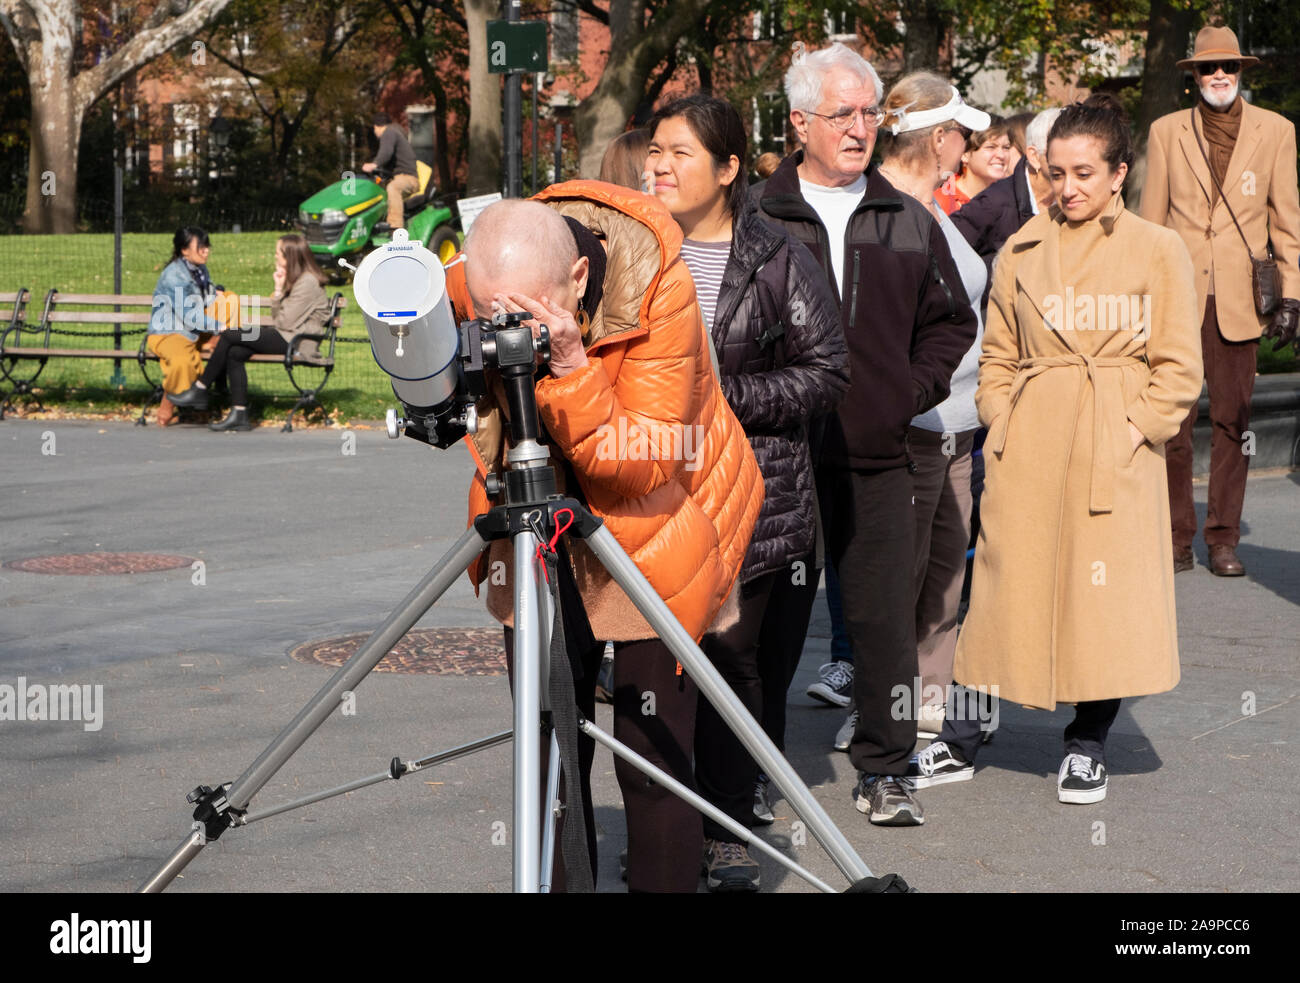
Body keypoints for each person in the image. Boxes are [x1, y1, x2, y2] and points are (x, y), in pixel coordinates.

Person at [450, 188, 763, 892]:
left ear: (580, 281)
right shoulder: (489, 270)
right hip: (536, 513)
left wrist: (570, 370)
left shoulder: (658, 287)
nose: (503, 329)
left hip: (659, 520)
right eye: (488, 311)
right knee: (547, 749)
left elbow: (642, 458)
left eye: (523, 316)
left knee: (649, 753)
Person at [910, 95, 1203, 805]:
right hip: (1030, 440)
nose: (1067, 187)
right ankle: (962, 735)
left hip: (1114, 440)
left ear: (1118, 174)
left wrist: (1136, 430)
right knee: (1004, 588)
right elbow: (999, 353)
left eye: (1083, 172)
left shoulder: (1157, 249)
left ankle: (1087, 742)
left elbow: (1179, 367)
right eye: (1057, 172)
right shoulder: (1022, 248)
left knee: (1101, 598)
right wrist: (1002, 420)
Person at [757, 42, 977, 826]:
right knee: (767, 622)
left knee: (885, 619)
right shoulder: (759, 215)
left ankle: (886, 769)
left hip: (882, 453)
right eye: (841, 113)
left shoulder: (907, 217)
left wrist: (906, 393)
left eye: (869, 112)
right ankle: (752, 769)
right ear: (799, 122)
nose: (859, 127)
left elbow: (952, 322)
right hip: (776, 454)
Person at [647, 93, 848, 890]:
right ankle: (669, 827)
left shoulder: (778, 255)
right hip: (650, 492)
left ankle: (728, 822)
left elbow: (827, 371)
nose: (659, 164)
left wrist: (726, 395)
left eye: (680, 152)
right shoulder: (632, 249)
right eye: (655, 149)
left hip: (749, 494)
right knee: (656, 666)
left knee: (730, 656)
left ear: (729, 169)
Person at [1140, 24, 1300, 577]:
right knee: (1174, 423)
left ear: (1241, 73)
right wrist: (1141, 296)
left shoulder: (1276, 131)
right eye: (1208, 68)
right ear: (1193, 77)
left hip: (1240, 299)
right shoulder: (1166, 132)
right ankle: (1176, 536)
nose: (1218, 76)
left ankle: (1224, 539)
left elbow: (1287, 223)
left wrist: (1293, 296)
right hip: (1177, 294)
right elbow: (1149, 221)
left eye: (1228, 68)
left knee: (1236, 421)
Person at [873, 72, 989, 744]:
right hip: (911, 425)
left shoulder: (936, 207)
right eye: (961, 133)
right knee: (900, 581)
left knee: (944, 576)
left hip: (958, 427)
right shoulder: (882, 209)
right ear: (940, 138)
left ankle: (928, 706)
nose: (967, 143)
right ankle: (883, 712)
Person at [168, 234, 330, 431]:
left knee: (229, 335)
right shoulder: (299, 280)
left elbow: (284, 322)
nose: (275, 256)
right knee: (235, 352)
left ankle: (200, 389)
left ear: (290, 256)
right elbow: (280, 319)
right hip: (286, 335)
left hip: (297, 342)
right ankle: (240, 414)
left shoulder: (307, 283)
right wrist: (279, 289)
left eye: (278, 252)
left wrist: (279, 293)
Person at [951, 107, 1062, 303]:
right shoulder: (994, 203)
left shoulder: (1071, 201)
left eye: (1005, 147)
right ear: (1034, 156)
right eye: (1060, 148)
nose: (1000, 155)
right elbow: (945, 255)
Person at [148, 227, 222, 427]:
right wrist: (219, 327)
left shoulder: (198, 269)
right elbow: (189, 315)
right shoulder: (174, 275)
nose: (206, 251)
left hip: (192, 331)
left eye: (207, 246)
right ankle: (168, 405)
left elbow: (205, 296)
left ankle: (197, 407)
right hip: (169, 331)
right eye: (201, 247)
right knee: (183, 361)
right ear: (184, 251)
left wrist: (217, 295)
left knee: (230, 302)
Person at [934, 118, 1011, 214]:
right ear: (965, 154)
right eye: (991, 147)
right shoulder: (942, 201)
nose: (1001, 155)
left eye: (1006, 147)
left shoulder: (1011, 201)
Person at [361, 112, 420, 231]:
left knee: (393, 188)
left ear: (376, 127)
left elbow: (386, 153)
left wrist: (374, 164)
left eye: (374, 129)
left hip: (407, 179)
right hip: (400, 177)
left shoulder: (389, 132)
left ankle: (395, 228)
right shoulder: (396, 133)